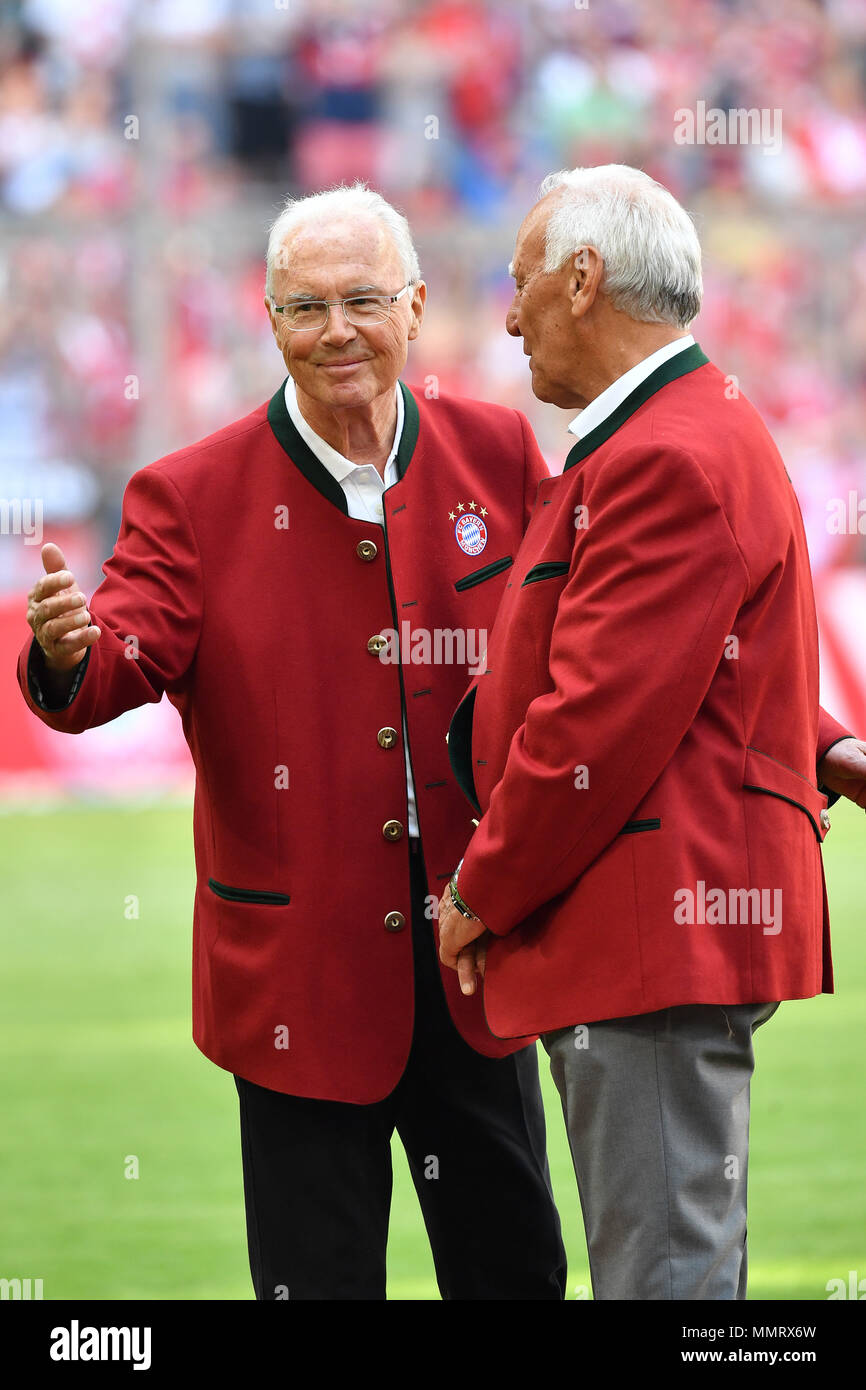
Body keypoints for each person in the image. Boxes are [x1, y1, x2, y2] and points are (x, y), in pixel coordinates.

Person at [17, 183, 566, 1301]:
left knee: (513, 1274)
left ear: (414, 307)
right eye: (303, 307)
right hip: (295, 986)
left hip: (478, 953)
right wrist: (71, 657)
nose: (336, 332)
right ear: (268, 320)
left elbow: (599, 636)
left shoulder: (497, 453)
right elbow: (121, 656)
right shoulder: (190, 493)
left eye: (362, 299)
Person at [439, 163, 866, 1301]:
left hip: (646, 931)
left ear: (582, 280)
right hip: (650, 927)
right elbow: (694, 667)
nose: (509, 308)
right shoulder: (680, 427)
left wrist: (479, 890)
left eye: (521, 277)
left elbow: (597, 719)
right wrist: (815, 740)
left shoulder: (661, 452)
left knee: (662, 1282)